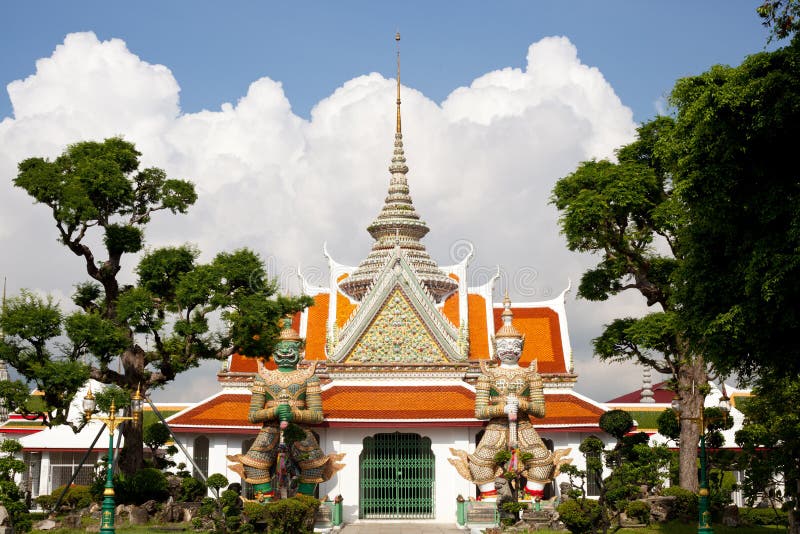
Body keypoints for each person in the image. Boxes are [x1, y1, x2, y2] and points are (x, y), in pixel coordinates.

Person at [449, 294, 570, 501]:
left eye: (514, 347)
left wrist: (522, 404)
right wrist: (502, 409)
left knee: (542, 462)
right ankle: (490, 500)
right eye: (504, 347)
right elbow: (479, 412)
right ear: (496, 348)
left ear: (521, 348)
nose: (509, 351)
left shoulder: (531, 375)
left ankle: (532, 501)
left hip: (523, 426)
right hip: (496, 427)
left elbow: (541, 411)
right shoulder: (488, 375)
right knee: (479, 465)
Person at [228, 317, 343, 502]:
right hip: (270, 431)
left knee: (314, 466)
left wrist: (294, 414)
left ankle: (302, 505)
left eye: (291, 349)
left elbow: (317, 415)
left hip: (299, 431)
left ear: (300, 352)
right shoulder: (263, 377)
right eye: (281, 349)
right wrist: (273, 412)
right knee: (254, 466)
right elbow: (253, 415)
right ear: (274, 353)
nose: (285, 353)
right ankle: (266, 504)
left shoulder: (309, 378)